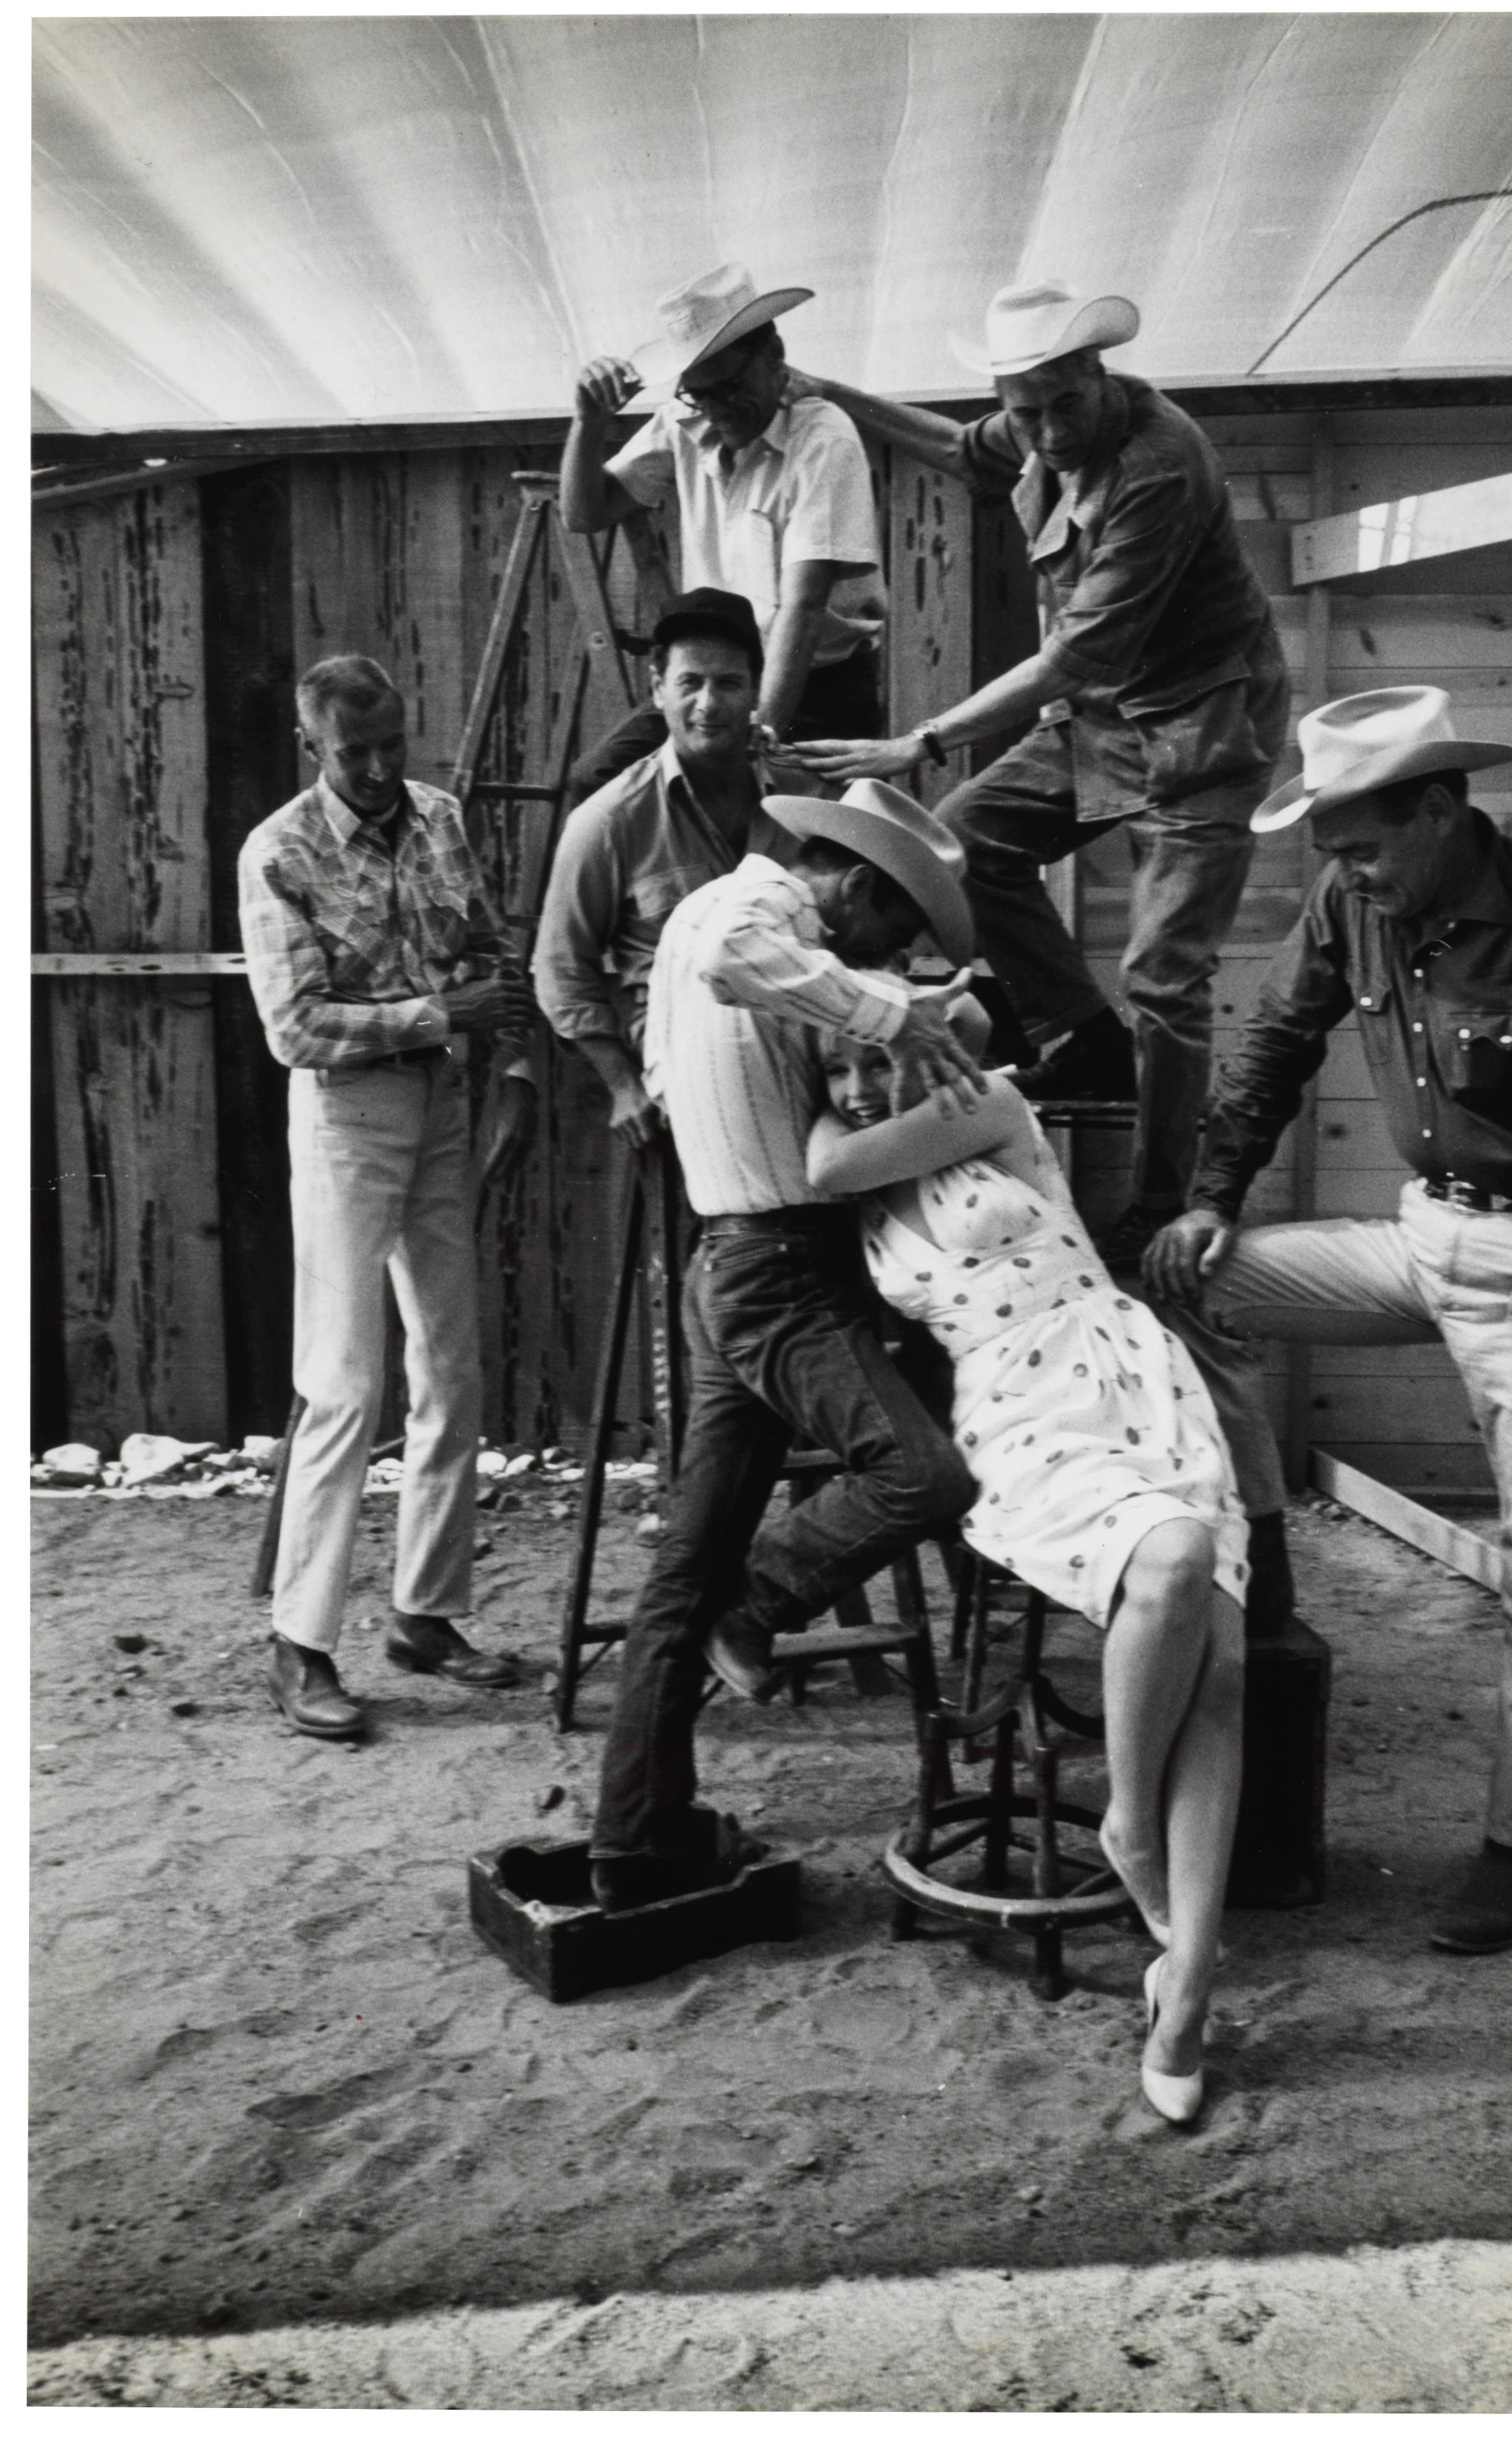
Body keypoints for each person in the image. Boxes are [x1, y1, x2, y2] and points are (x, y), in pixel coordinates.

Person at [1143, 687, 1512, 1957]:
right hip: (1420, 1236)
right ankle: (1259, 1538)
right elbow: (1275, 1043)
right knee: (1188, 1284)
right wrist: (1213, 1200)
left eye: (1364, 845)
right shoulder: (1351, 902)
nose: (1348, 871)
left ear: (1438, 811)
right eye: (1332, 848)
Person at [789, 277, 1291, 1259]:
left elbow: (1074, 655)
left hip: (1201, 725)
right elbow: (954, 447)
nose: (1049, 432)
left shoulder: (1161, 465)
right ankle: (1082, 1036)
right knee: (964, 842)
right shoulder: (1032, 429)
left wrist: (921, 741)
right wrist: (833, 391)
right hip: (1102, 717)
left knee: (1163, 978)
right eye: (1026, 413)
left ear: (1098, 374)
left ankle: (1158, 1205)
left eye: (1064, 404)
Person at [808, 1012, 1247, 2121]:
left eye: (874, 1061)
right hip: (1018, 1409)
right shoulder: (853, 1170)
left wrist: (884, 1040)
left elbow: (825, 1154)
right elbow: (818, 1163)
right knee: (1175, 1560)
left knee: (1223, 1669)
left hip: (1131, 1375)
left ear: (924, 1053)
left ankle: (1186, 1989)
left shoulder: (986, 1104)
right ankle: (1131, 1823)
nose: (856, 1089)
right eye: (835, 1070)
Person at [587, 779, 984, 1915]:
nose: (885, 962)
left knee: (681, 1568)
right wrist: (890, 1018)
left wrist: (891, 1021)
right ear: (854, 886)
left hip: (733, 1260)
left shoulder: (728, 929)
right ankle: (754, 1606)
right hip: (780, 1271)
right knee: (924, 1474)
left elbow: (696, 1062)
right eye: (889, 937)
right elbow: (736, 963)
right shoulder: (738, 916)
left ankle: (636, 1837)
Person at [238, 655, 536, 1738]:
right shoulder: (278, 851)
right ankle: (302, 1643)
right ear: (312, 747)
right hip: (347, 1120)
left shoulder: (441, 818)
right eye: (351, 751)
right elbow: (294, 1028)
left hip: (443, 1106)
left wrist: (513, 1072)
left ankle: (426, 1612)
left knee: (450, 1366)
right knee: (343, 1383)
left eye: (390, 745)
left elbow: (494, 957)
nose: (375, 769)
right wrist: (437, 1014)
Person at [559, 263, 887, 806]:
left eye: (731, 387)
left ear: (774, 355)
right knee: (598, 783)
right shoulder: (684, 423)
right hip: (719, 675)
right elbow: (583, 514)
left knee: (760, 816)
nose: (717, 409)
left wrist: (760, 741)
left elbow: (803, 609)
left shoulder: (823, 438)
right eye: (700, 395)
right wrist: (587, 421)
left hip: (815, 688)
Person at [532, 587, 812, 1148]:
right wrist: (621, 1085)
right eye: (690, 683)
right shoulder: (609, 821)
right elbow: (559, 971)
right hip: (687, 1067)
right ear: (658, 689)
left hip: (804, 1046)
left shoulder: (805, 796)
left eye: (728, 683)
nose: (708, 704)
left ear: (756, 690)